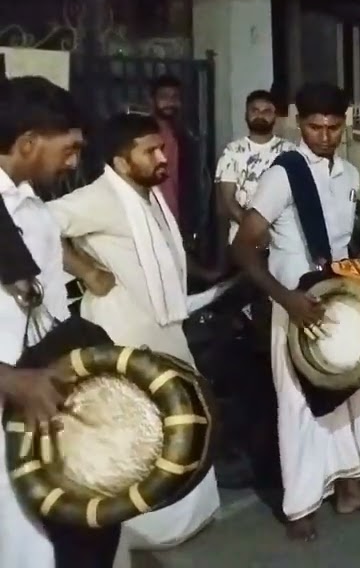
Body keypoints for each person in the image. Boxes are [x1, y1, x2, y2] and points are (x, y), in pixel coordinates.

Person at [230, 83, 360, 541]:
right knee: (299, 404)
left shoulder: (348, 174)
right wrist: (286, 300)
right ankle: (299, 505)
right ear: (298, 124)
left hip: (338, 301)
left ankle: (350, 490)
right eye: (314, 126)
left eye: (333, 126)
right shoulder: (283, 174)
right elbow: (243, 247)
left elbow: (342, 242)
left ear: (344, 124)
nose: (324, 135)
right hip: (296, 304)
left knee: (351, 395)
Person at [49, 112, 221, 552]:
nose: (162, 156)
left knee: (183, 422)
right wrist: (86, 269)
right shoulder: (99, 198)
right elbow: (35, 226)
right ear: (122, 161)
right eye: (151, 150)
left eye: (161, 147)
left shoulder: (148, 197)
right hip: (123, 338)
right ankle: (140, 533)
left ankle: (184, 521)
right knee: (138, 438)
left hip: (165, 331)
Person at [0, 76, 130, 567]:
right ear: (28, 142)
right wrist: (10, 378)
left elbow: (51, 317)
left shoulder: (37, 217)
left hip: (31, 413)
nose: (75, 162)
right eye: (70, 148)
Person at [214, 90, 295, 243]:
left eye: (266, 111)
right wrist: (253, 230)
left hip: (283, 242)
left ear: (275, 115)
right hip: (242, 240)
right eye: (255, 110)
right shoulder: (232, 151)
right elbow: (227, 200)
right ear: (246, 114)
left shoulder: (289, 151)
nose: (260, 115)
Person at [149, 75, 189, 229]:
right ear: (152, 100)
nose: (170, 103)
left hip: (176, 221)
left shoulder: (185, 137)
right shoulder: (143, 134)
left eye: (175, 97)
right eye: (164, 97)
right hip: (150, 217)